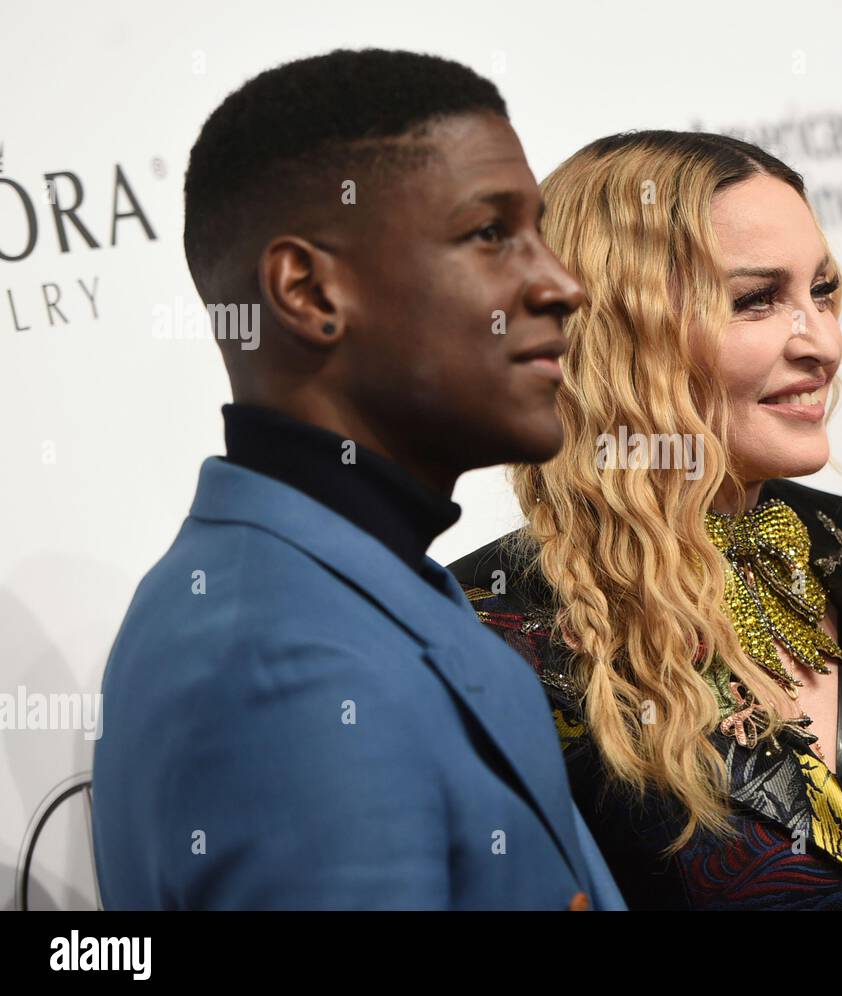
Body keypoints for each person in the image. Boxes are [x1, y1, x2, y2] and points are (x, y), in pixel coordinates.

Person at [92, 48, 624, 910]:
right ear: (308, 292)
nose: (561, 285)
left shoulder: (347, 580)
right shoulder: (280, 669)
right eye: (491, 234)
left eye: (540, 235)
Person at [450, 130, 842, 910]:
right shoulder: (488, 632)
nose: (823, 343)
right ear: (621, 332)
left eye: (821, 292)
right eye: (756, 301)